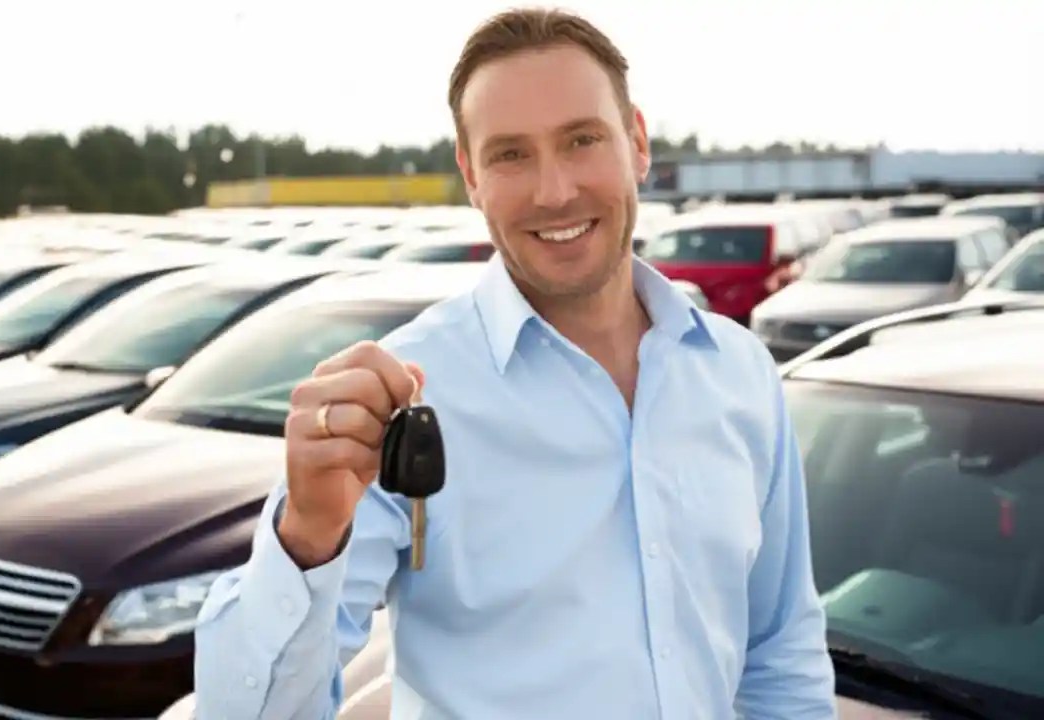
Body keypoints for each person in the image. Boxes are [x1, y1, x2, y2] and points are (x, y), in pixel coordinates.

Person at [193, 7, 836, 719]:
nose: (554, 190)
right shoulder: (403, 401)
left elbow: (780, 651)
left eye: (582, 140)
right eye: (510, 154)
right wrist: (307, 535)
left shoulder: (739, 372)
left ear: (638, 142)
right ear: (471, 176)